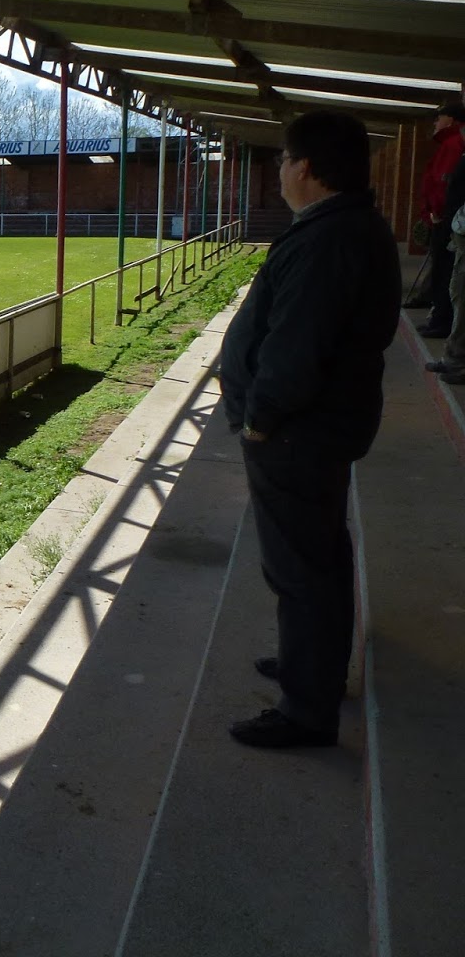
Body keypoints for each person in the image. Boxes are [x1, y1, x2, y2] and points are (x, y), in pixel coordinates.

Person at [218, 110, 399, 749]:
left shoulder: (328, 239)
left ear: (309, 169)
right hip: (317, 428)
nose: (279, 170)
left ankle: (306, 708)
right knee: (318, 555)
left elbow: (295, 350)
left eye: (283, 159)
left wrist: (260, 420)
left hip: (297, 433)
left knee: (300, 567)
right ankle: (313, 664)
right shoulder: (341, 229)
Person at [416, 103, 464, 336]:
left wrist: (437, 211)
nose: (435, 122)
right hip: (442, 216)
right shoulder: (448, 143)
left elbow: (445, 182)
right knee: (441, 271)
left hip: (444, 218)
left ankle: (442, 320)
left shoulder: (454, 144)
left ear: (452, 120)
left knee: (444, 271)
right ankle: (438, 317)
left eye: (439, 117)